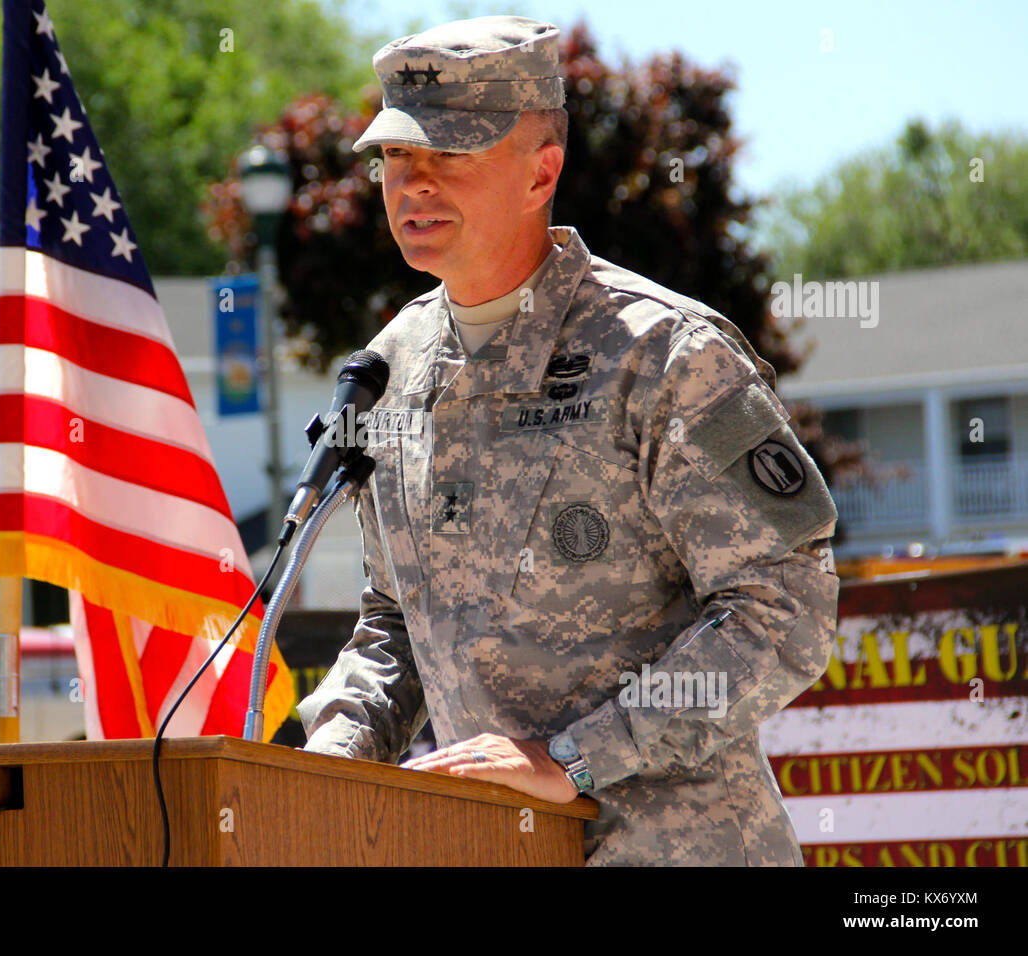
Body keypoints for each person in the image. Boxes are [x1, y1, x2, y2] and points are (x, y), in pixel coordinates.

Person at [296, 14, 841, 866]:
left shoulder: (667, 354)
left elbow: (785, 613)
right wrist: (330, 757)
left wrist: (580, 755)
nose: (413, 184)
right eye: (396, 158)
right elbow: (393, 619)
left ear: (541, 169)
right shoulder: (390, 368)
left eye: (450, 155)